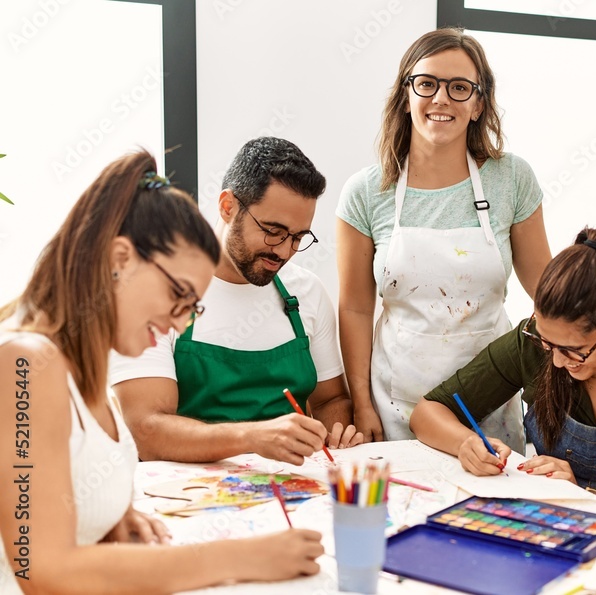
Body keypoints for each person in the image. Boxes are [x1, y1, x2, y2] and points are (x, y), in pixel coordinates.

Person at [0, 152, 324, 593]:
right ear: (120, 260)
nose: (179, 323)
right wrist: (242, 557)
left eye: (193, 308)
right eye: (178, 296)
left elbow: (59, 491)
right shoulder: (24, 365)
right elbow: (41, 571)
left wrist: (106, 518)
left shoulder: (86, 372)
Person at [411, 228, 596, 529]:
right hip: (554, 530)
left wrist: (584, 498)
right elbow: (427, 412)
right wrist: (466, 443)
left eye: (574, 351)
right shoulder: (529, 345)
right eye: (547, 342)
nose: (556, 361)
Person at [337, 27, 553, 445]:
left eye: (459, 88)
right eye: (427, 84)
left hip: (489, 394)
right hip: (396, 398)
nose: (440, 99)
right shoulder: (365, 192)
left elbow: (546, 290)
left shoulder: (511, 179)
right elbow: (356, 310)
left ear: (478, 104)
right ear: (406, 97)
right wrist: (361, 402)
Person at [112, 137, 361, 465]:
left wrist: (335, 433)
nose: (284, 251)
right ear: (228, 206)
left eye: (298, 237)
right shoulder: (157, 294)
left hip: (294, 488)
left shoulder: (306, 293)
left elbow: (331, 400)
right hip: (189, 496)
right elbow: (144, 430)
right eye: (273, 231)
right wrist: (253, 438)